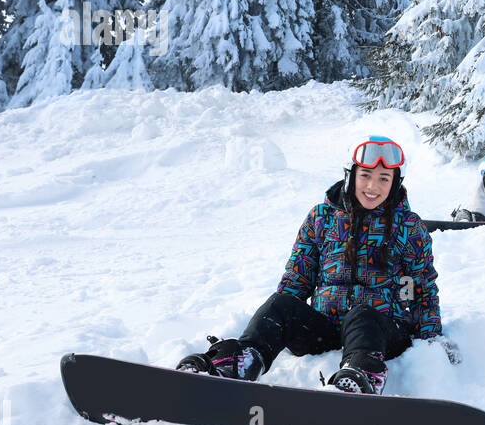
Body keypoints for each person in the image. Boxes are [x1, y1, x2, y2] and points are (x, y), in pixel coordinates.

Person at [177, 136, 442, 394]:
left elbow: (420, 291)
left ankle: (362, 376)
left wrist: (431, 343)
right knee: (279, 303)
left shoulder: (409, 228)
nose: (373, 186)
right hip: (324, 330)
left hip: (379, 334)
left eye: (384, 178)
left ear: (396, 183)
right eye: (366, 175)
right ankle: (240, 362)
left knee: (363, 315)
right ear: (351, 175)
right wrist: (281, 322)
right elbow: (296, 281)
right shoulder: (321, 218)